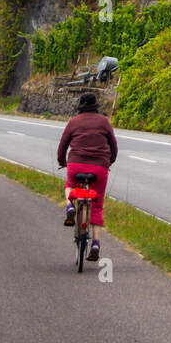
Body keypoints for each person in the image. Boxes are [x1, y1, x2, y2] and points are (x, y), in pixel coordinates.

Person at [57, 91, 118, 261]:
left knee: (69, 186)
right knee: (97, 205)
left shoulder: (73, 122)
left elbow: (62, 146)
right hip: (100, 167)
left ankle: (70, 206)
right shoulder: (104, 122)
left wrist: (62, 161)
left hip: (75, 165)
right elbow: (113, 145)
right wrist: (109, 161)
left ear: (80, 107)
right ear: (95, 106)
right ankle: (96, 244)